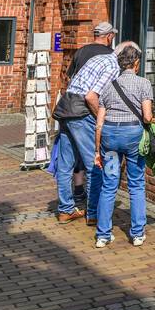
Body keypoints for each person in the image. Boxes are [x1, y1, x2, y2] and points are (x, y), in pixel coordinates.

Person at [53, 32, 120, 225]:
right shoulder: (112, 66)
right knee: (93, 164)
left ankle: (65, 210)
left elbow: (70, 80)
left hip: (66, 108)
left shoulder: (98, 59)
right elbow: (91, 96)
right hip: (81, 113)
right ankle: (93, 213)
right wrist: (99, 115)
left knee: (65, 165)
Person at [93, 41, 152, 248]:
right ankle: (137, 233)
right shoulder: (144, 84)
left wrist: (97, 151)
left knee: (109, 185)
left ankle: (103, 235)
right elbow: (147, 116)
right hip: (133, 137)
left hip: (109, 138)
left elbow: (98, 124)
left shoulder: (108, 87)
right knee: (136, 184)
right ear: (136, 63)